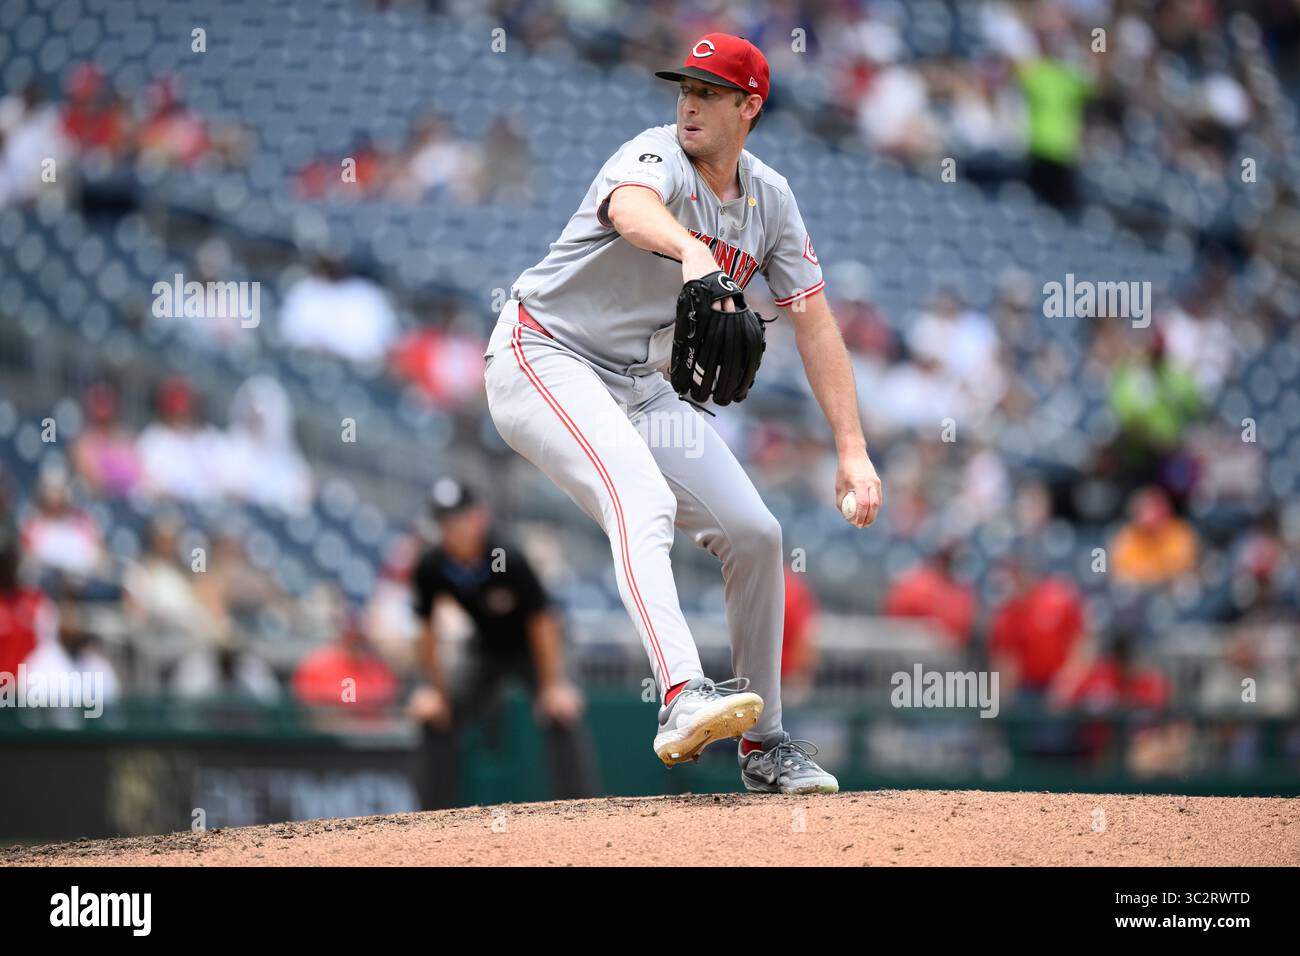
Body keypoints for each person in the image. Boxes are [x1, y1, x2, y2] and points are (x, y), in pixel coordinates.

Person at [481, 34, 883, 793]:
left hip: (640, 384)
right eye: (683, 88)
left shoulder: (771, 200)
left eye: (708, 91)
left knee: (758, 535)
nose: (688, 103)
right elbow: (630, 209)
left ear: (749, 107)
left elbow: (816, 321)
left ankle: (765, 747)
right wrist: (694, 253)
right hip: (545, 355)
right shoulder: (655, 155)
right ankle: (680, 695)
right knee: (642, 497)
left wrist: (852, 448)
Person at [409, 478, 597, 809]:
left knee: (560, 710)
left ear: (477, 517)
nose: (453, 528)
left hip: (533, 648)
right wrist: (433, 689)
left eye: (459, 518)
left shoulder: (506, 554)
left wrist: (553, 684)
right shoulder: (432, 565)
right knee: (436, 714)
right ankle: (431, 818)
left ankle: (582, 810)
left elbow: (542, 621)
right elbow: (426, 629)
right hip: (485, 649)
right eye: (445, 521)